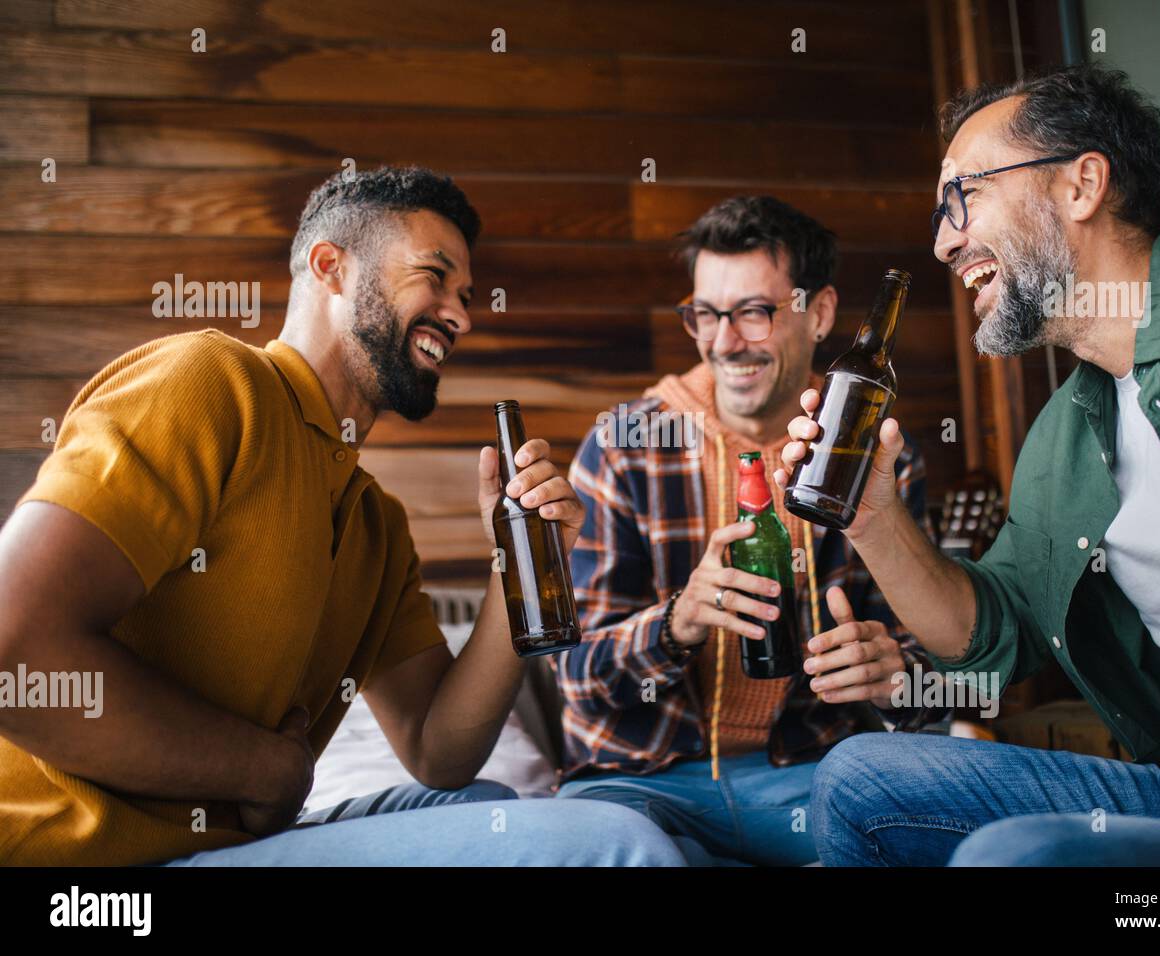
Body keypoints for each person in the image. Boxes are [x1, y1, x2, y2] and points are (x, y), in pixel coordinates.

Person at [0, 165, 684, 867]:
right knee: (615, 841)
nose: (462, 314)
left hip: (226, 845)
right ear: (330, 266)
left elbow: (439, 750)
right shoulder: (208, 382)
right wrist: (265, 770)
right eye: (435, 276)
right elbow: (11, 645)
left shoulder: (373, 524)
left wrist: (519, 566)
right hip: (86, 870)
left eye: (468, 296)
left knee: (478, 802)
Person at [778, 65, 1160, 866]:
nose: (944, 241)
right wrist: (875, 518)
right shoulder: (1065, 437)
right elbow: (990, 636)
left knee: (1019, 860)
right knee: (860, 778)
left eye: (964, 198)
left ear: (1082, 183)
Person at [553, 196, 943, 866]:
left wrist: (895, 677)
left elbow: (939, 684)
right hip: (642, 786)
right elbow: (576, 676)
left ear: (818, 313)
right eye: (706, 314)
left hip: (812, 777)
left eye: (754, 313)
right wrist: (677, 622)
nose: (724, 341)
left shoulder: (879, 459)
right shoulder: (626, 443)